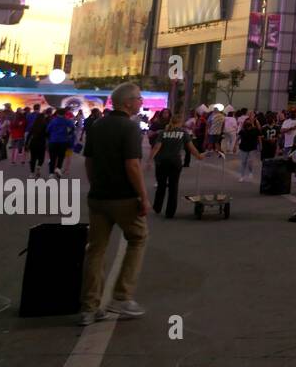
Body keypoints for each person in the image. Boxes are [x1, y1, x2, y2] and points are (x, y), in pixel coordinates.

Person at [79, 83, 150, 325]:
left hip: (98, 197)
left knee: (95, 249)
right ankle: (121, 296)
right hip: (124, 198)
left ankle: (89, 307)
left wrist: (95, 184)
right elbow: (132, 165)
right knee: (137, 239)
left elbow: (88, 161)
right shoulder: (130, 127)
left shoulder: (98, 125)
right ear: (128, 103)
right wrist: (143, 196)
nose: (141, 102)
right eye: (139, 98)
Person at [152, 117, 204, 218]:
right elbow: (191, 147)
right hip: (175, 162)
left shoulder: (163, 132)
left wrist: (150, 160)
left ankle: (157, 207)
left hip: (161, 162)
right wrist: (198, 155)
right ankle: (170, 212)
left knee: (161, 185)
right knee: (173, 186)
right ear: (180, 123)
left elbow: (157, 147)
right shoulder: (183, 133)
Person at [46, 107, 75, 177]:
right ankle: (58, 168)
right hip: (63, 141)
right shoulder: (68, 121)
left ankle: (51, 173)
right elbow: (73, 129)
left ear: (57, 113)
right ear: (64, 113)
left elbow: (48, 130)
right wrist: (68, 134)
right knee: (61, 156)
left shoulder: (53, 121)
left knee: (52, 157)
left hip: (53, 141)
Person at [237, 111, 260, 181]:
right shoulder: (243, 129)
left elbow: (259, 133)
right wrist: (235, 145)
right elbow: (239, 136)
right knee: (243, 162)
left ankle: (250, 172)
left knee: (250, 161)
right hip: (243, 147)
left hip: (252, 147)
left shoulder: (255, 127)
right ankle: (242, 176)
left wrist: (260, 145)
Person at [27, 105, 50, 176]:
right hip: (41, 144)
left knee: (33, 158)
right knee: (41, 158)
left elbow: (29, 135)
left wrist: (26, 144)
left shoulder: (33, 126)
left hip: (33, 143)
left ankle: (31, 173)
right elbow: (47, 135)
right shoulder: (45, 125)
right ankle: (38, 167)